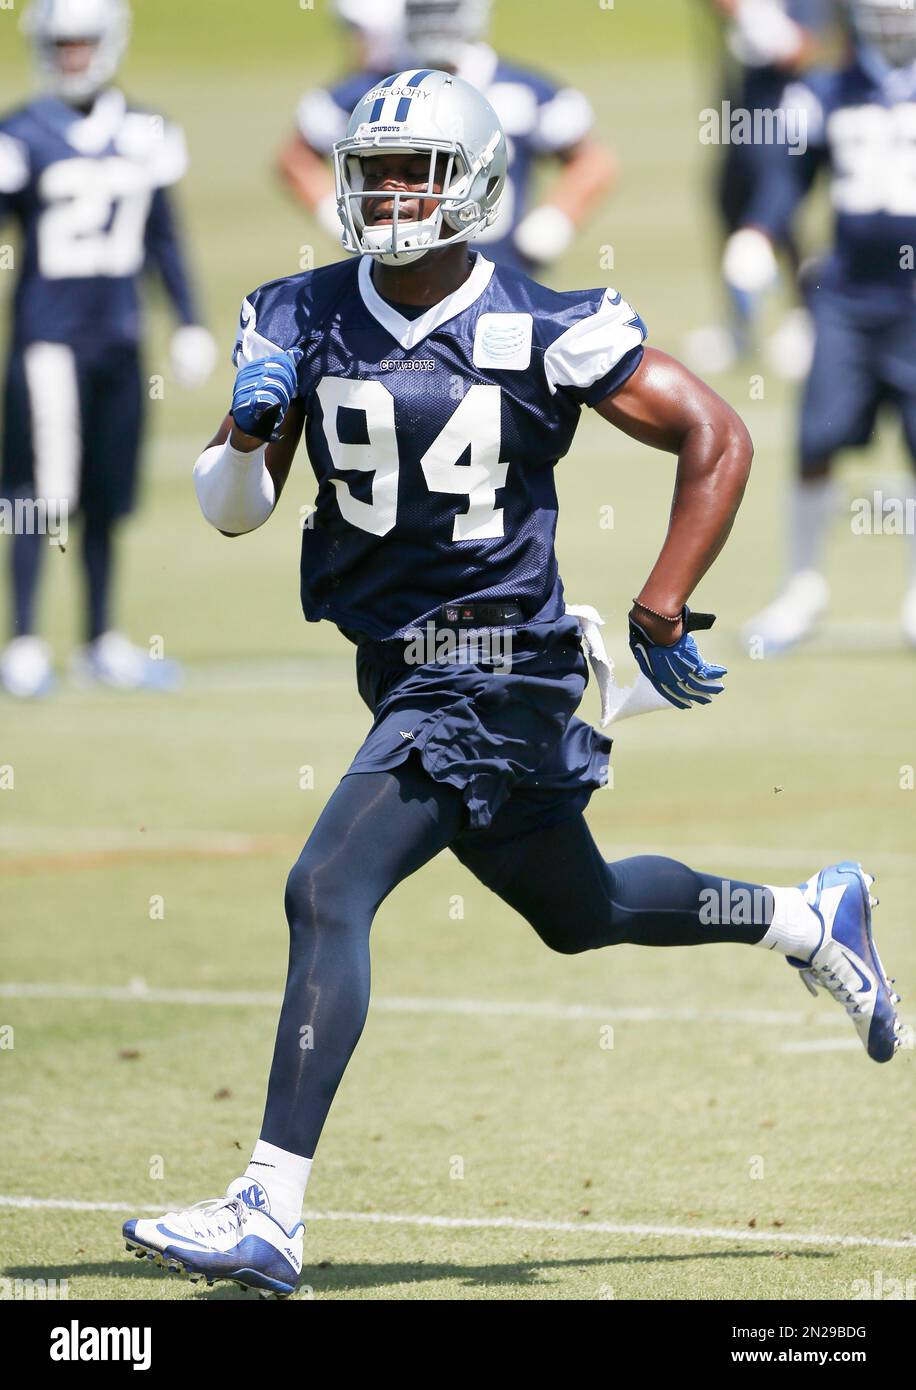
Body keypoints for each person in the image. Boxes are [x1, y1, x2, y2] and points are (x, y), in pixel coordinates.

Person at [123, 70, 900, 1299]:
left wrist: (661, 601)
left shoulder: (544, 321)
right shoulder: (295, 312)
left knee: (326, 886)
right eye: (374, 172)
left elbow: (718, 432)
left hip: (495, 663)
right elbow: (234, 511)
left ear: (476, 183)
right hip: (401, 666)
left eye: (415, 171)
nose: (391, 194)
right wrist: (246, 429)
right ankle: (810, 917)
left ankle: (268, 1205)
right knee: (582, 909)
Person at [0, 0, 216, 698]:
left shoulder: (147, 131)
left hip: (120, 339)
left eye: (81, 42)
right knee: (37, 494)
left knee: (105, 494)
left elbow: (164, 237)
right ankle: (25, 642)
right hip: (48, 341)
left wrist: (188, 320)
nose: (71, 55)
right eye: (61, 43)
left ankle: (99, 640)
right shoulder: (19, 134)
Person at [727, 0, 916, 650]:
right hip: (846, 298)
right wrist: (757, 231)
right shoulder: (824, 90)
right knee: (816, 441)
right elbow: (788, 179)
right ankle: (802, 589)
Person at [279, 0, 616, 276]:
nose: (433, 23)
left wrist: (554, 220)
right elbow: (297, 156)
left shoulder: (524, 90)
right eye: (423, 10)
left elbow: (592, 161)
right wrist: (335, 215)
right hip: (399, 267)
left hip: (503, 265)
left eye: (445, 9)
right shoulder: (378, 92)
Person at [685, 0, 830, 377]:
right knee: (729, 200)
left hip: (785, 106)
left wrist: (748, 14)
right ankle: (738, 325)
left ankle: (805, 319)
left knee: (775, 213)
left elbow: (801, 48)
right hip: (742, 103)